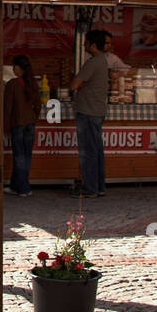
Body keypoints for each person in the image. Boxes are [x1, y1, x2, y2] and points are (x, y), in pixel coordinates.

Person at [69, 29, 111, 199]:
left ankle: (90, 188)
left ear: (93, 45)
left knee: (88, 151)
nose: (84, 45)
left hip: (88, 111)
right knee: (96, 150)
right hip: (96, 111)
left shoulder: (93, 62)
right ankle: (99, 186)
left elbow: (74, 85)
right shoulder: (103, 61)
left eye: (86, 42)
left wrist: (80, 85)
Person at [3, 54, 39, 198]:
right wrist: (33, 118)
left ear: (18, 68)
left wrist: (5, 127)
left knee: (19, 156)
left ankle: (24, 188)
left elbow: (7, 108)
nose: (13, 68)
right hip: (30, 124)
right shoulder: (33, 83)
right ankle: (15, 185)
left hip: (18, 124)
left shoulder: (12, 84)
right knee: (26, 156)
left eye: (14, 66)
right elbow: (38, 105)